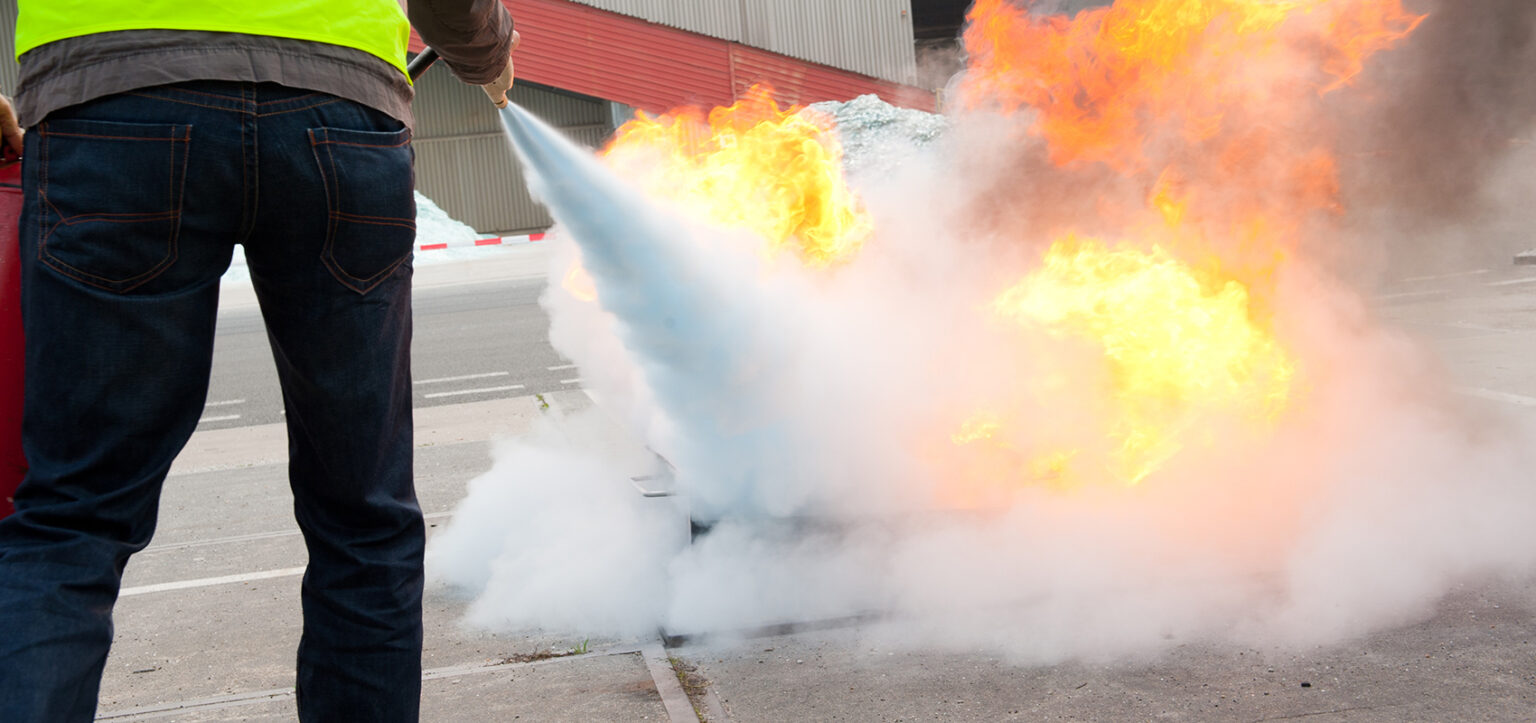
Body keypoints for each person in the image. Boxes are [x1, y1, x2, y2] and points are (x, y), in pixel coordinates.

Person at [0, 2, 519, 720]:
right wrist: (485, 52)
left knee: (72, 519)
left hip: (112, 101)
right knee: (362, 519)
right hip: (337, 105)